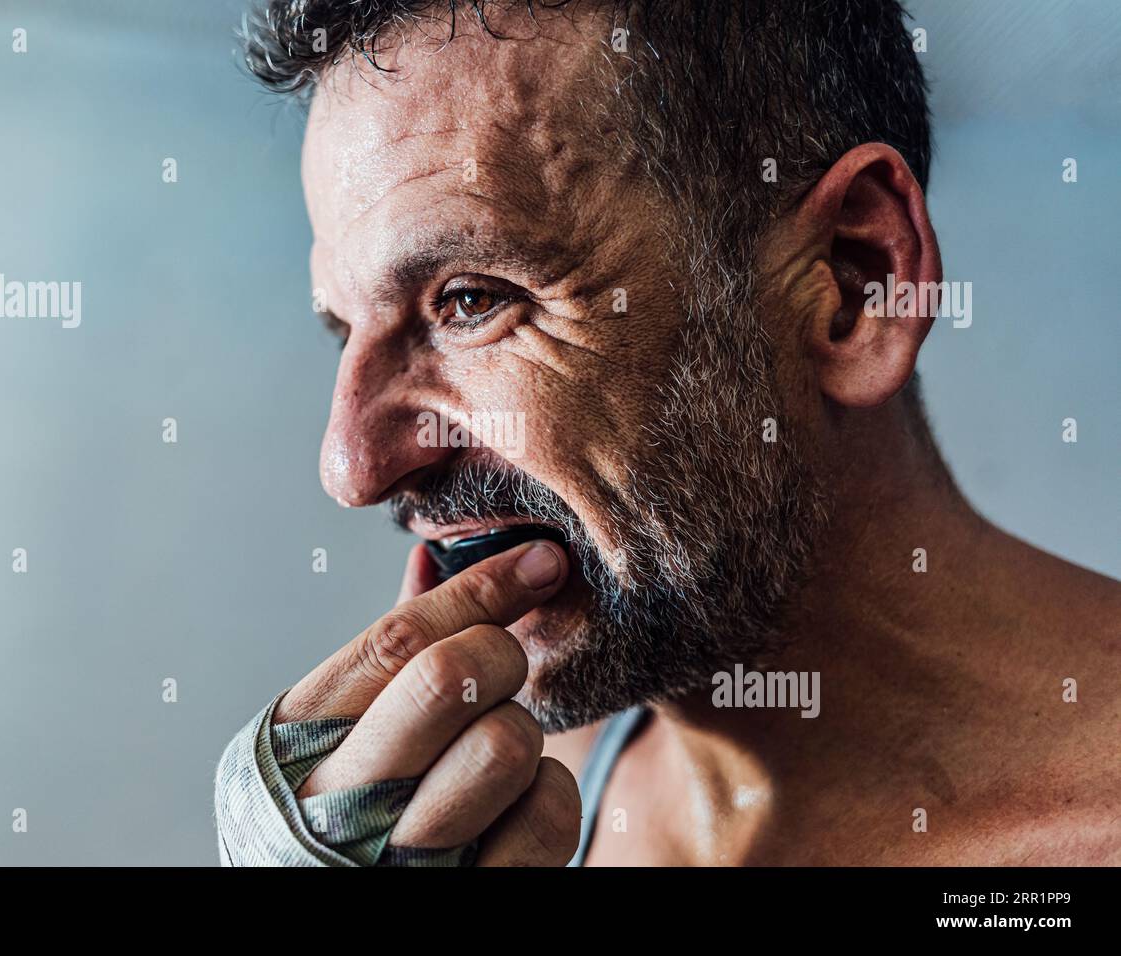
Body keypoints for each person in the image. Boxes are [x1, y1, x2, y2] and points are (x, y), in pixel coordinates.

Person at [215, 0, 1121, 866]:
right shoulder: (483, 817)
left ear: (854, 284)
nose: (354, 467)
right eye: (345, 331)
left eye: (470, 300)